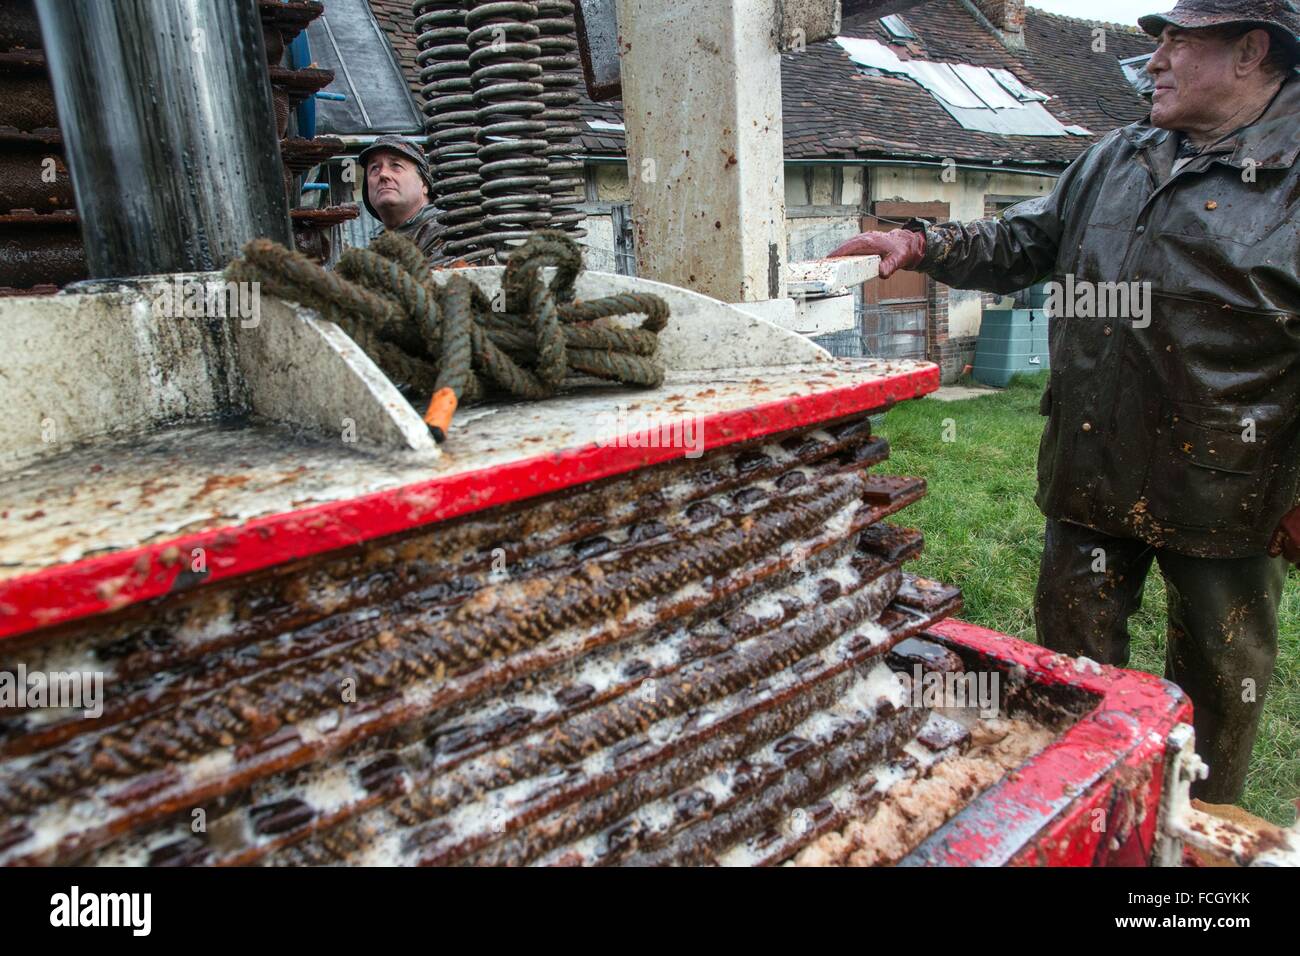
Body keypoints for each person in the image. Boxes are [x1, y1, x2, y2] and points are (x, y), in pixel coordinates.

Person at [830, 0, 1300, 803]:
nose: (1153, 62)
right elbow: (1020, 242)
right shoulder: (1118, 156)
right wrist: (920, 242)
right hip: (1094, 465)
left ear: (1251, 51)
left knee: (1222, 681)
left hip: (1233, 489)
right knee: (1074, 675)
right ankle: (1087, 810)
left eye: (1178, 44)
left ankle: (1198, 832)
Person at [357, 134, 446, 261]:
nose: (383, 174)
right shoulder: (374, 253)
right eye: (374, 168)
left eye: (396, 166)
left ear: (424, 184)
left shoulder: (447, 233)